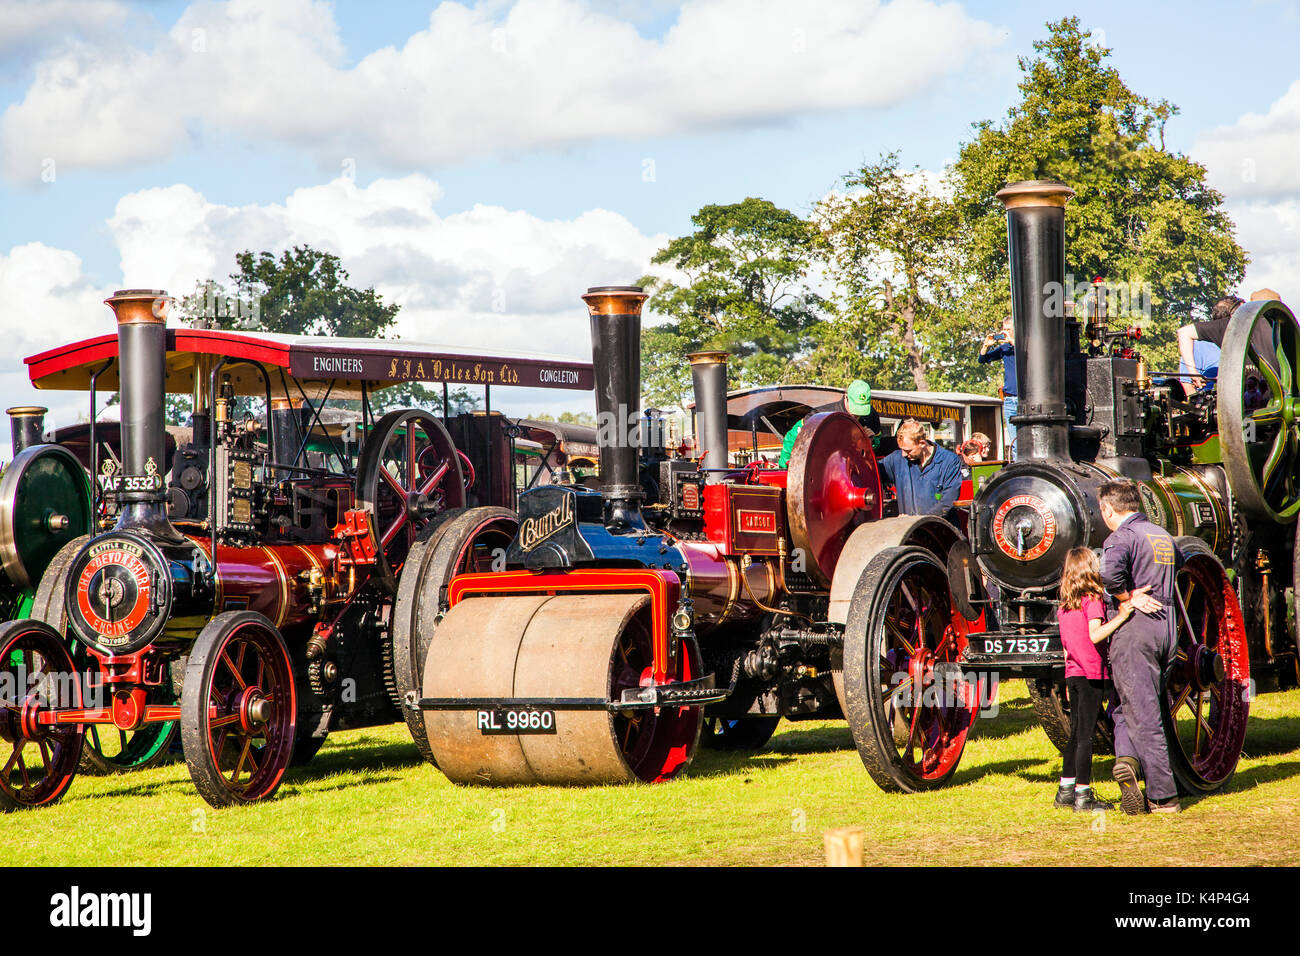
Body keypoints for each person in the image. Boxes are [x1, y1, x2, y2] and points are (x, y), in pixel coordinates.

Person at [1097, 479, 1181, 814]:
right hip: (1167, 625)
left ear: (1109, 509)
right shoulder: (1161, 534)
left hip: (1136, 629)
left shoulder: (1121, 537)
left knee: (1144, 713)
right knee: (1127, 705)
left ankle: (1163, 796)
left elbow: (1110, 576)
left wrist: (1127, 597)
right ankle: (1127, 762)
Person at [1054, 547, 1150, 813]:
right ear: (1090, 569)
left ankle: (1065, 790)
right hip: (1091, 674)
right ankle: (1083, 796)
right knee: (1085, 737)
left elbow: (1065, 646)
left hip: (1073, 673)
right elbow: (1095, 635)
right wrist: (1121, 616)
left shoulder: (1064, 606)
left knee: (1074, 735)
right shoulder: (1092, 600)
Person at [1177, 290, 1281, 390]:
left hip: (1244, 403)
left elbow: (1184, 332)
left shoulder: (1232, 326)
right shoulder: (1286, 329)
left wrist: (1193, 373)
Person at [776, 379, 881, 468]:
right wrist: (785, 468)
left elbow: (876, 447)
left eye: (861, 410)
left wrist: (871, 442)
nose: (857, 415)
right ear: (846, 397)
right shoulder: (820, 415)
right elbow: (792, 438)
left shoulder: (871, 416)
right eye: (855, 409)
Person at [875, 419, 964, 521]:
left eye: (908, 450)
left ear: (922, 443)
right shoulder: (896, 459)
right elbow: (871, 472)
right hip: (911, 532)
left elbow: (948, 500)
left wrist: (919, 521)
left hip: (941, 530)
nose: (903, 454)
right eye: (902, 449)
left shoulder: (949, 461)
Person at [978, 316, 1017, 459]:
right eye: (1004, 329)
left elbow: (1027, 355)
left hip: (1026, 399)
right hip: (1010, 399)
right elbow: (982, 359)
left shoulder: (1025, 344)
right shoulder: (1004, 348)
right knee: (1015, 442)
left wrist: (1012, 341)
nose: (1005, 332)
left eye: (1008, 329)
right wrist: (986, 345)